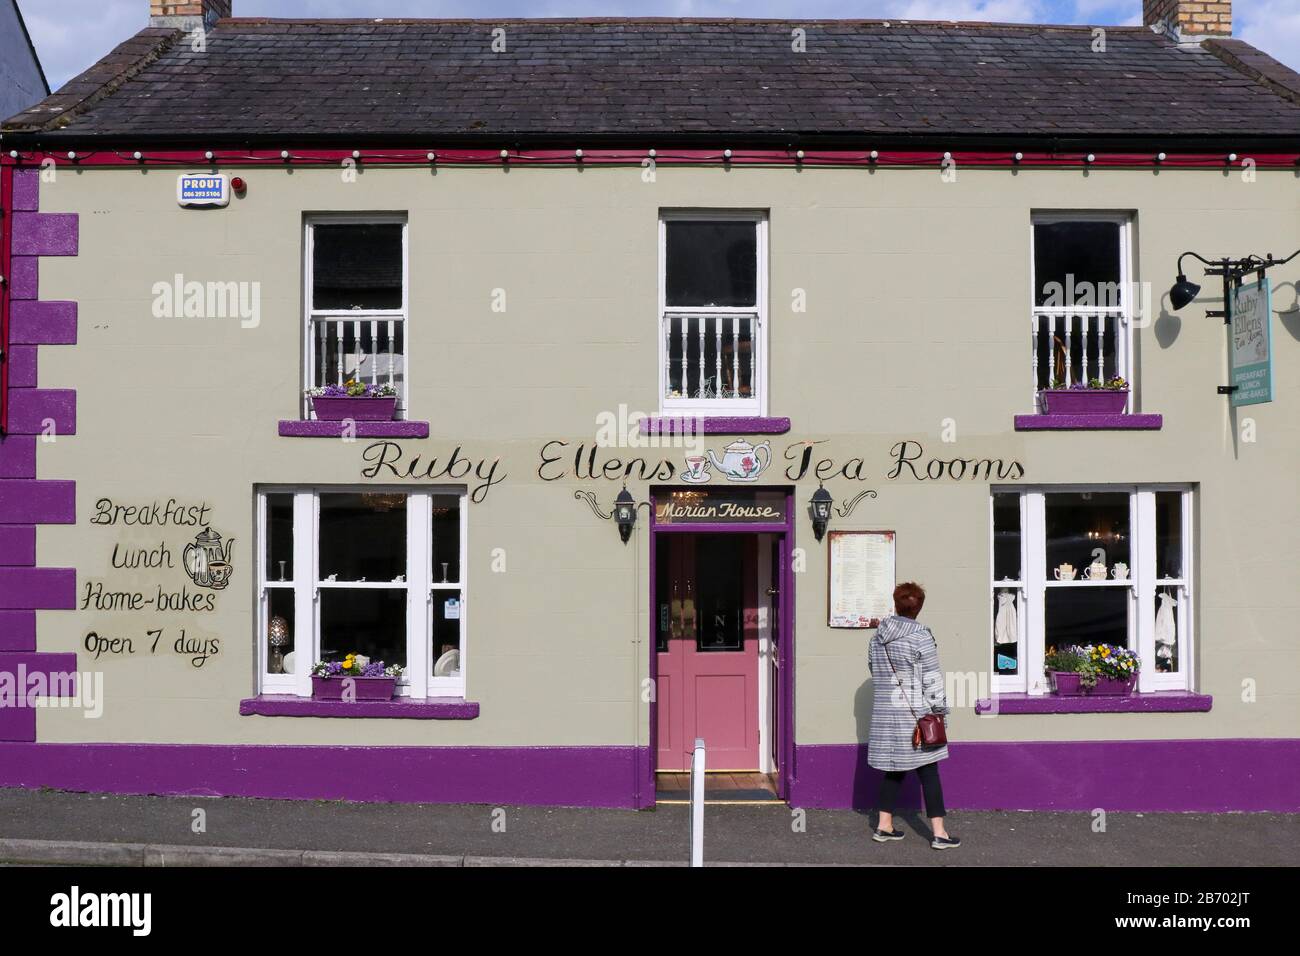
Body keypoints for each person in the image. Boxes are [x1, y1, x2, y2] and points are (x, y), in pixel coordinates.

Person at [867, 582, 960, 850]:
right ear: (919, 608)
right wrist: (940, 710)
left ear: (895, 604)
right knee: (929, 773)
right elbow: (931, 678)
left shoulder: (877, 637)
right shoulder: (920, 636)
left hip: (886, 714)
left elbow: (874, 670)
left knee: (894, 770)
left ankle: (884, 826)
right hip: (916, 715)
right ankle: (940, 834)